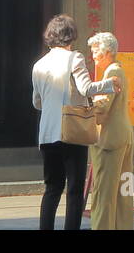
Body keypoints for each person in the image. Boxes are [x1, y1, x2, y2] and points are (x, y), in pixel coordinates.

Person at [31, 14, 117, 231]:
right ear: (70, 36)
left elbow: (36, 102)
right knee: (75, 190)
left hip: (47, 134)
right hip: (72, 131)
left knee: (52, 188)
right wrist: (109, 84)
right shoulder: (74, 58)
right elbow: (86, 88)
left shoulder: (39, 65)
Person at [88, 31, 134, 231]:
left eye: (95, 52)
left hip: (110, 139)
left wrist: (84, 105)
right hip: (123, 135)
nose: (93, 57)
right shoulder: (119, 70)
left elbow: (103, 106)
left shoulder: (111, 73)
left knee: (104, 193)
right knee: (123, 192)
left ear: (106, 52)